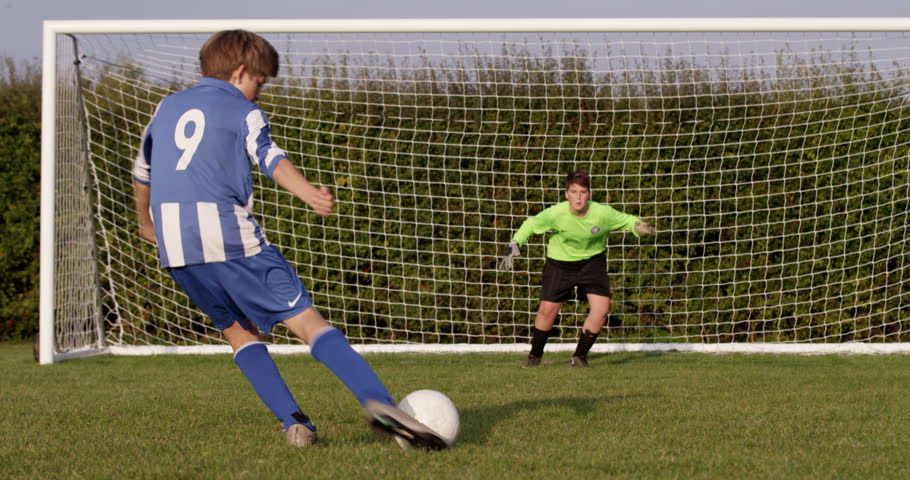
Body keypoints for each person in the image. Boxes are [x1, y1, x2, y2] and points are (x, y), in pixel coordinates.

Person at [132, 30, 446, 449]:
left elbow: (143, 172)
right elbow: (270, 158)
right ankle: (378, 402)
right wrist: (309, 193)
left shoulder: (165, 106)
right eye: (259, 82)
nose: (259, 92)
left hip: (175, 244)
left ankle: (295, 424)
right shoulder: (243, 110)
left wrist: (145, 224)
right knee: (308, 323)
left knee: (238, 333)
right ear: (241, 72)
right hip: (228, 235)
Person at [498, 171, 656, 368]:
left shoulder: (602, 213)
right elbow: (531, 224)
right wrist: (516, 242)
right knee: (548, 310)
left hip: (592, 263)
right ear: (567, 194)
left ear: (589, 194)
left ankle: (580, 356)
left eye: (582, 192)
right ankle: (534, 357)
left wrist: (638, 225)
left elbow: (626, 220)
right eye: (574, 192)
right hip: (559, 264)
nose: (578, 197)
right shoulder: (556, 213)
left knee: (601, 311)